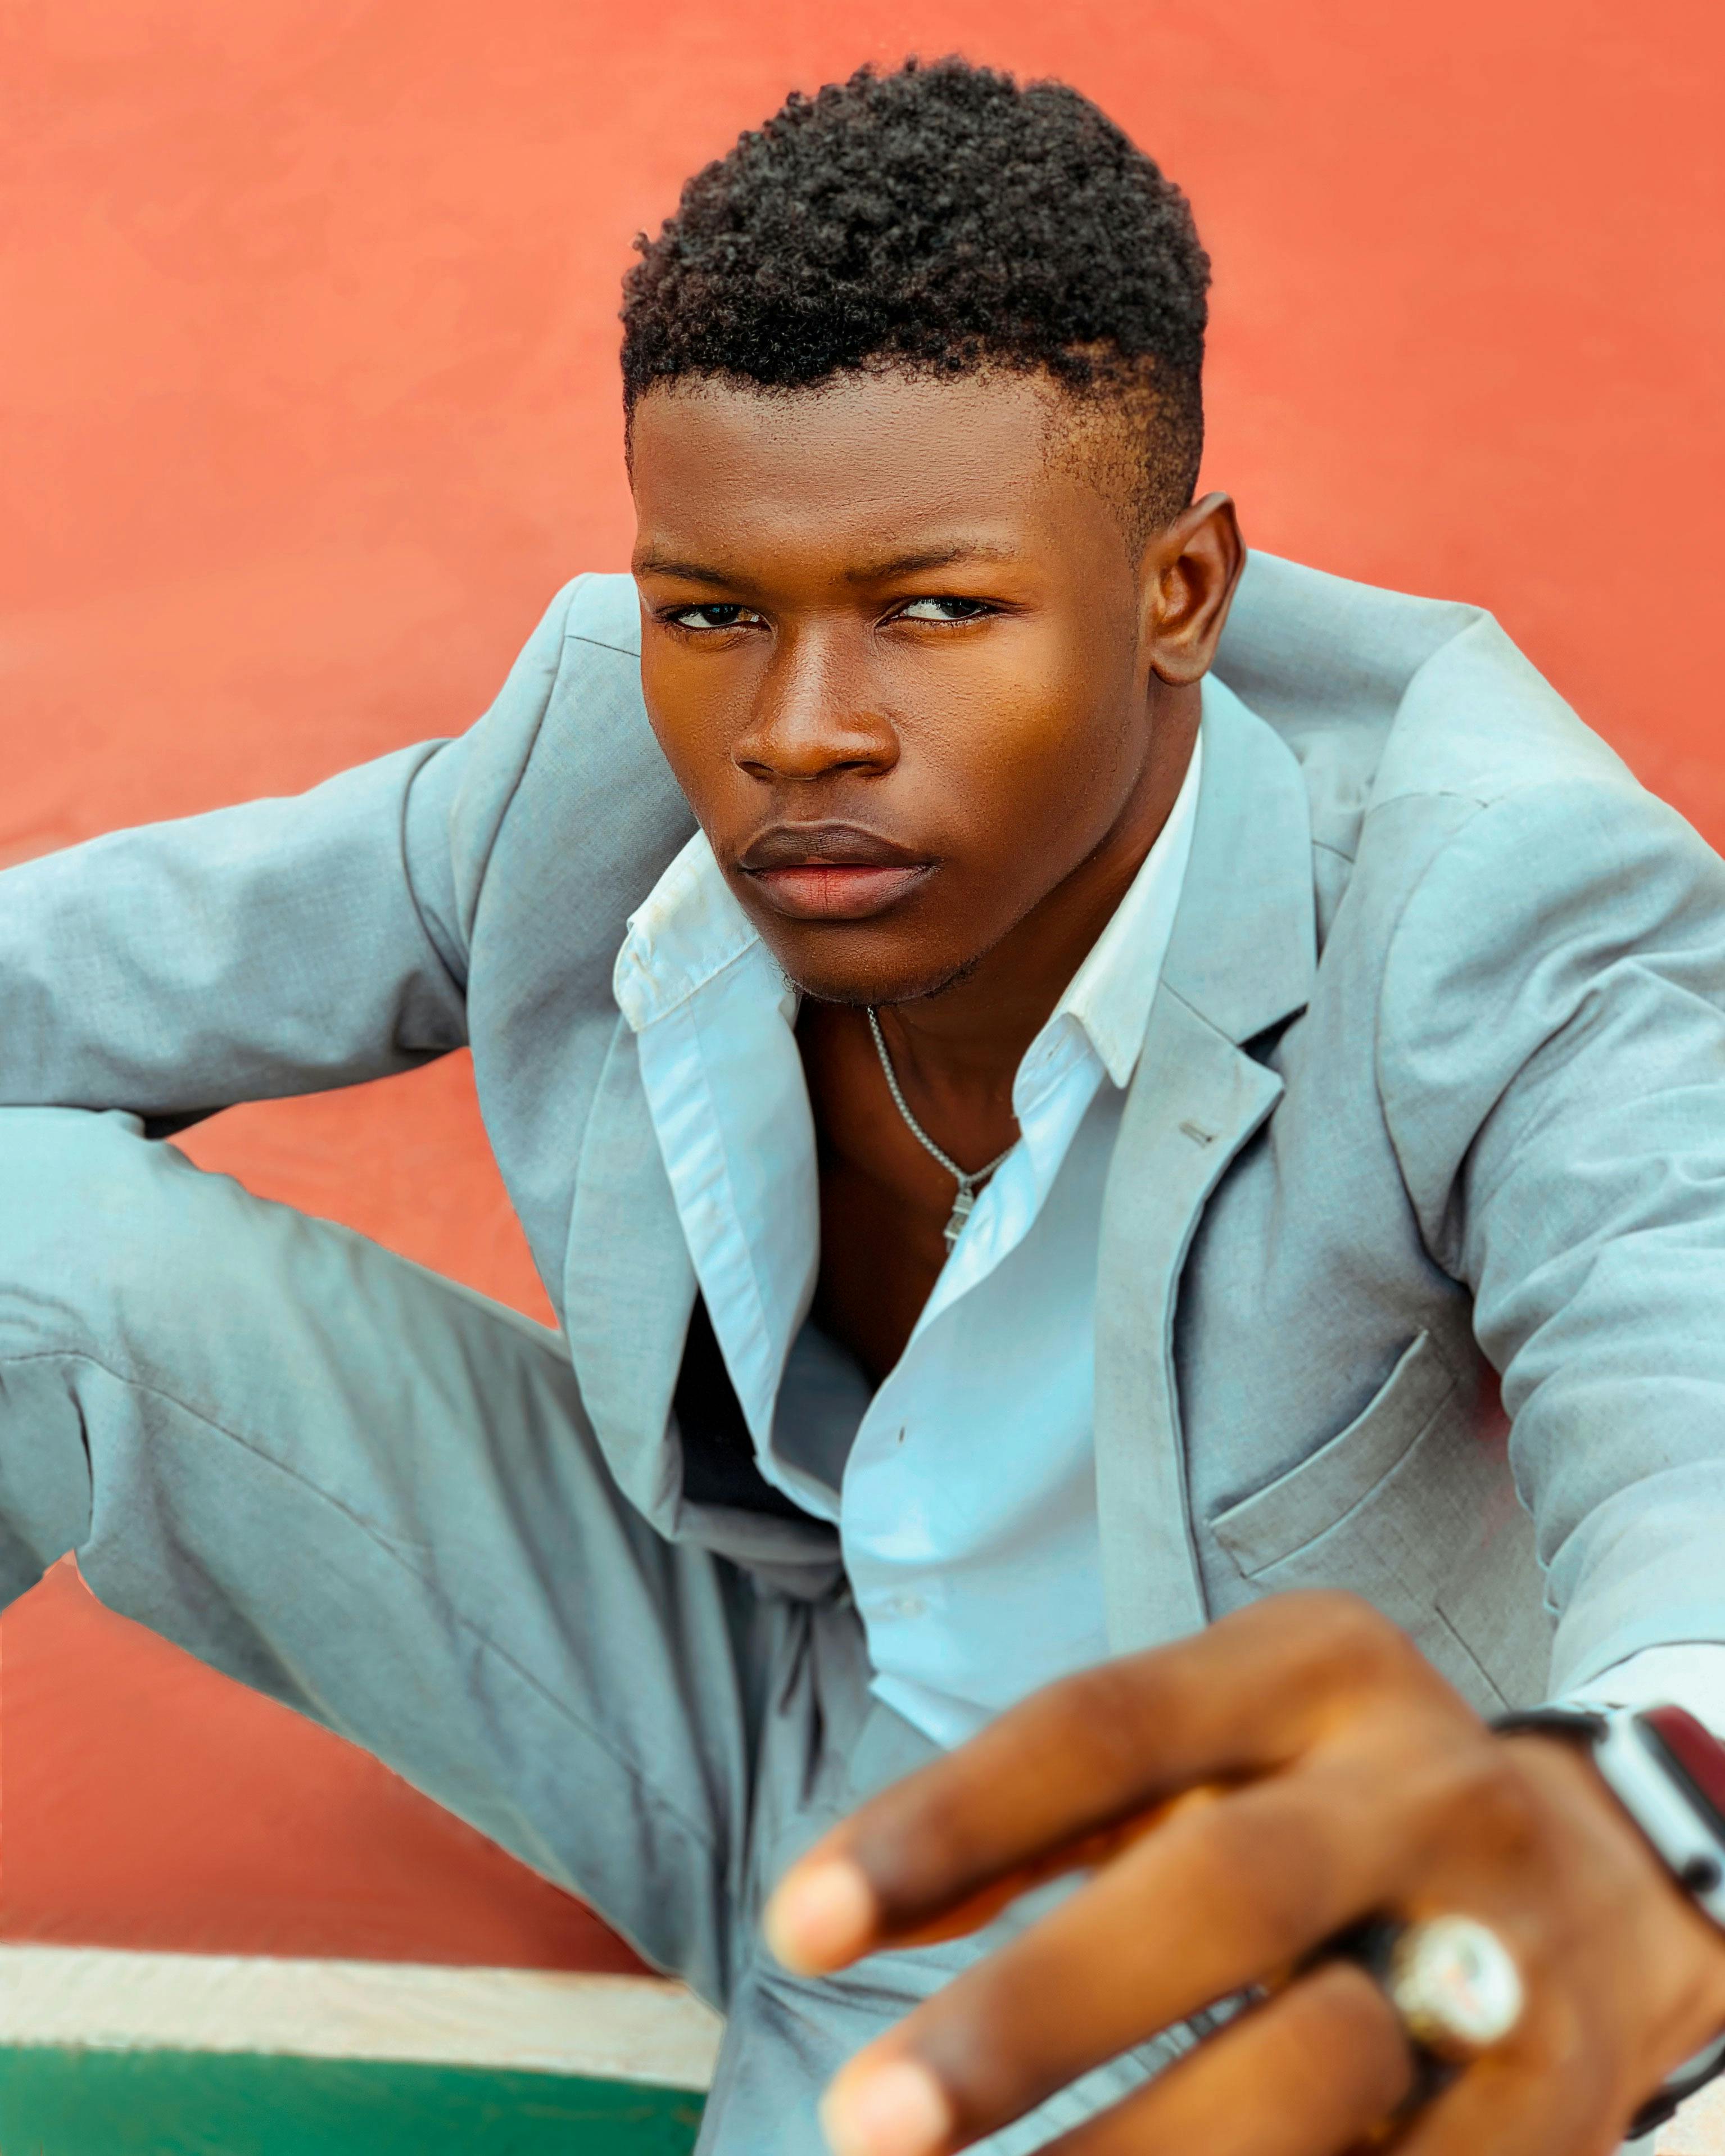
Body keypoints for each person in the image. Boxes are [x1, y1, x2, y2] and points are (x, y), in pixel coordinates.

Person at [4, 53, 1725, 2156]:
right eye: (714, 613)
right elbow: (95, 970)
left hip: (1261, 1927)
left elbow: (1693, 1383)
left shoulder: (1495, 896)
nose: (798, 734)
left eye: (934, 611)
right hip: (780, 1703)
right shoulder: (595, 756)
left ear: (1183, 591)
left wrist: (1656, 1826)